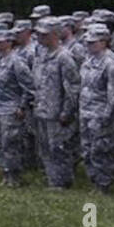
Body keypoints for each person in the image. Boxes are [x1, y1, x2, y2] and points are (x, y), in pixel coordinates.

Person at [31, 18, 79, 189]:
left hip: (57, 112)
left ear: (54, 35)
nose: (39, 38)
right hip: (42, 109)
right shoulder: (41, 56)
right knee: (45, 149)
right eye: (38, 34)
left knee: (58, 148)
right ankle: (52, 180)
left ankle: (63, 182)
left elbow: (72, 86)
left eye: (44, 34)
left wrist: (67, 111)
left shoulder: (64, 57)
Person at [0, 27, 34, 187]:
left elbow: (28, 87)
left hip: (11, 109)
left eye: (0, 42)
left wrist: (22, 106)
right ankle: (5, 174)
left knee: (10, 144)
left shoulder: (17, 61)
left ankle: (15, 176)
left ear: (9, 42)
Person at [79, 23, 114, 195]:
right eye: (88, 43)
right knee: (88, 150)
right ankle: (94, 182)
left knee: (101, 150)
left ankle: (104, 184)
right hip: (86, 112)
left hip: (101, 115)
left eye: (93, 42)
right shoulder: (88, 62)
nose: (89, 45)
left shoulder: (110, 63)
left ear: (104, 42)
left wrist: (107, 116)